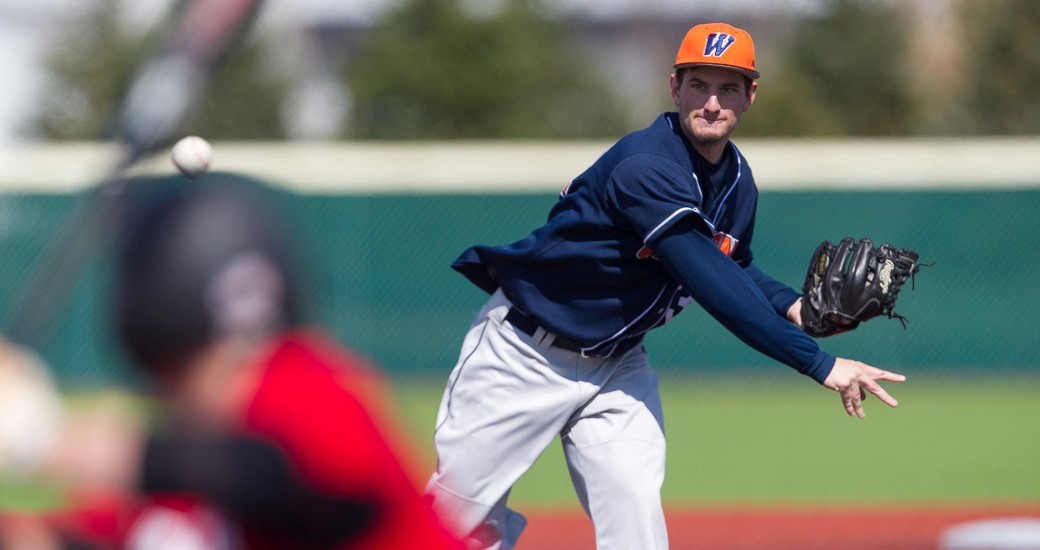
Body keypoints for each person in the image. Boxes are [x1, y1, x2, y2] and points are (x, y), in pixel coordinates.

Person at [423, 22, 907, 549]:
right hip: (524, 355)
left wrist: (794, 307)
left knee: (636, 519)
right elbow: (712, 283)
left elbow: (734, 265)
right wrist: (819, 363)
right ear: (675, 87)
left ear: (750, 95)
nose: (712, 103)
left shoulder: (737, 180)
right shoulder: (646, 165)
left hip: (617, 365)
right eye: (699, 85)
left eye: (728, 88)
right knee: (454, 525)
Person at [23, 177, 463, 550]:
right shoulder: (201, 456)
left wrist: (49, 439)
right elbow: (72, 536)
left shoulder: (304, 384)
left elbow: (302, 485)